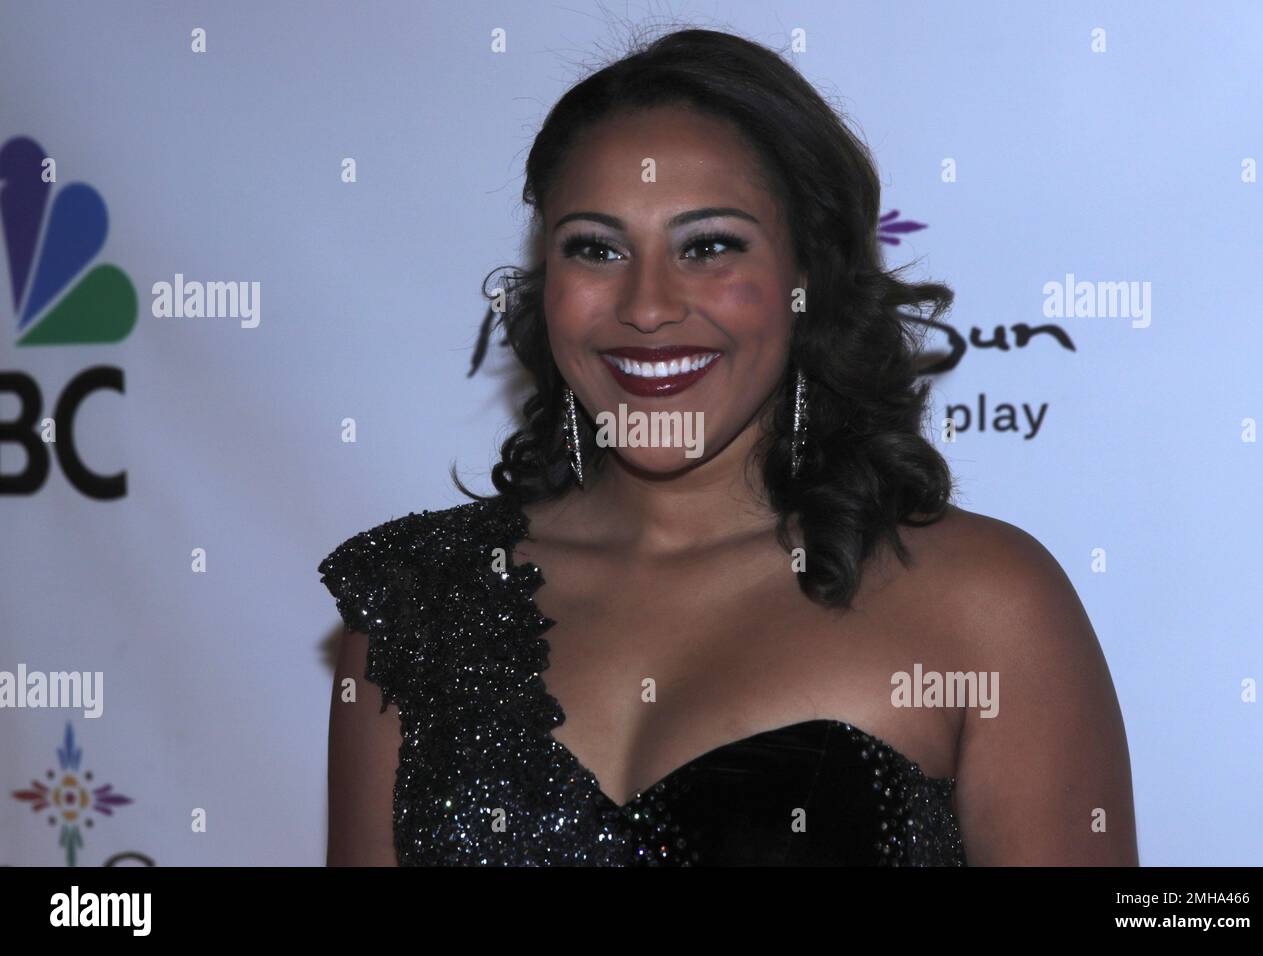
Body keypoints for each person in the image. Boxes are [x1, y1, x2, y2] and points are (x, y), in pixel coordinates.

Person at [321, 27, 1138, 866]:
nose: (646, 306)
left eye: (709, 246)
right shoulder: (418, 604)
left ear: (806, 276)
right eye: (596, 249)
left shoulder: (984, 604)